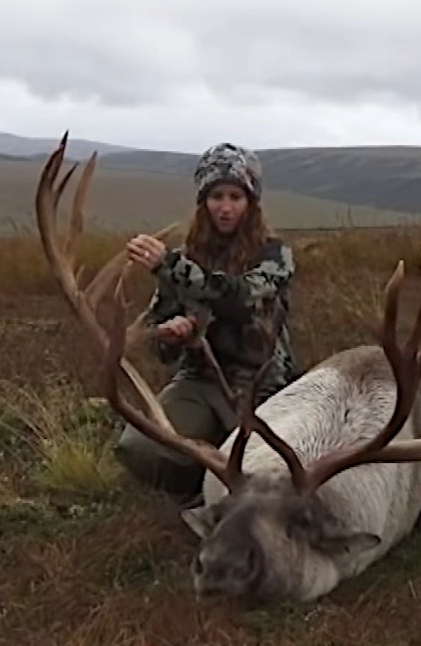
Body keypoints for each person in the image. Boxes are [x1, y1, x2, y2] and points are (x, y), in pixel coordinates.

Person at [114, 142, 297, 497]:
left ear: (251, 203)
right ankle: (197, 488)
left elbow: (238, 299)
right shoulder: (186, 257)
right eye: (216, 196)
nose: (225, 208)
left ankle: (214, 474)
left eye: (235, 197)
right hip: (198, 381)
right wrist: (169, 337)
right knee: (138, 449)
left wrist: (168, 267)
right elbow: (158, 334)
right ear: (203, 201)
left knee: (272, 478)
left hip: (263, 389)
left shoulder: (275, 255)